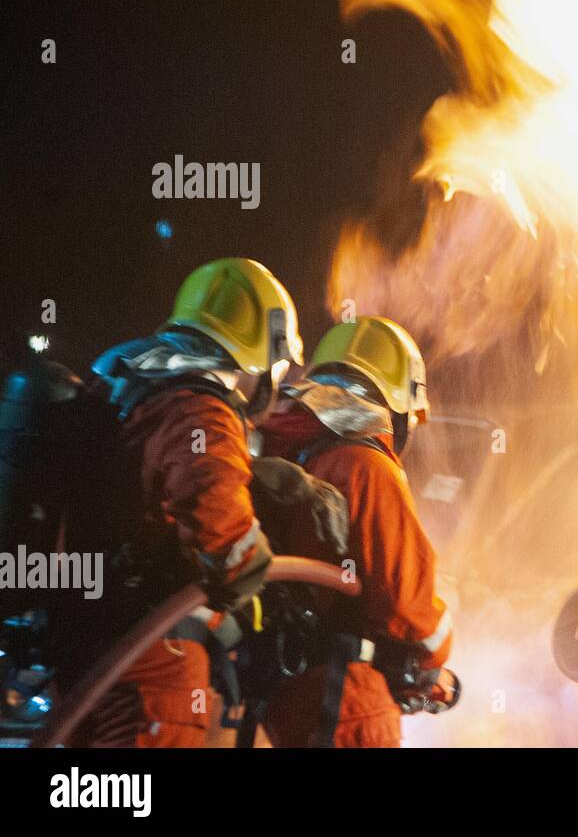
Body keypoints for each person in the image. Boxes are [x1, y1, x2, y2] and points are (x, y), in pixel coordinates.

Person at [76, 257, 303, 747]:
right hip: (153, 660)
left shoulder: (130, 385)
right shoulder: (198, 404)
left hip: (90, 648)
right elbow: (226, 537)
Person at [258, 316, 456, 747]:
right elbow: (408, 607)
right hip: (347, 704)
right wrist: (431, 665)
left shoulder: (278, 443)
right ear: (398, 401)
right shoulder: (365, 465)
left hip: (276, 696)